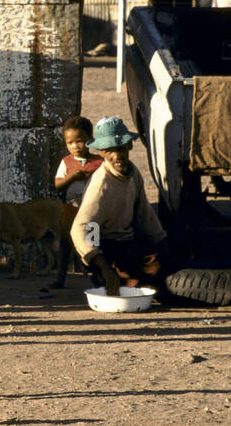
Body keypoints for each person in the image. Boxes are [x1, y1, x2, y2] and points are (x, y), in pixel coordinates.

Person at [70, 116, 171, 298]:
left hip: (127, 240)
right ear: (101, 152)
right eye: (110, 151)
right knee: (138, 275)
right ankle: (112, 278)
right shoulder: (101, 185)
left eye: (121, 149)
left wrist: (163, 244)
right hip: (106, 247)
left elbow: (145, 216)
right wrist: (100, 263)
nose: (117, 156)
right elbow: (83, 227)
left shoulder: (133, 174)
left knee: (162, 261)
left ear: (129, 147)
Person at [55, 115, 102, 205]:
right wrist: (72, 177)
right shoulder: (66, 162)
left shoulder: (100, 162)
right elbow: (58, 185)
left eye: (79, 141)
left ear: (90, 140)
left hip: (96, 206)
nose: (75, 146)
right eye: (70, 143)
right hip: (72, 209)